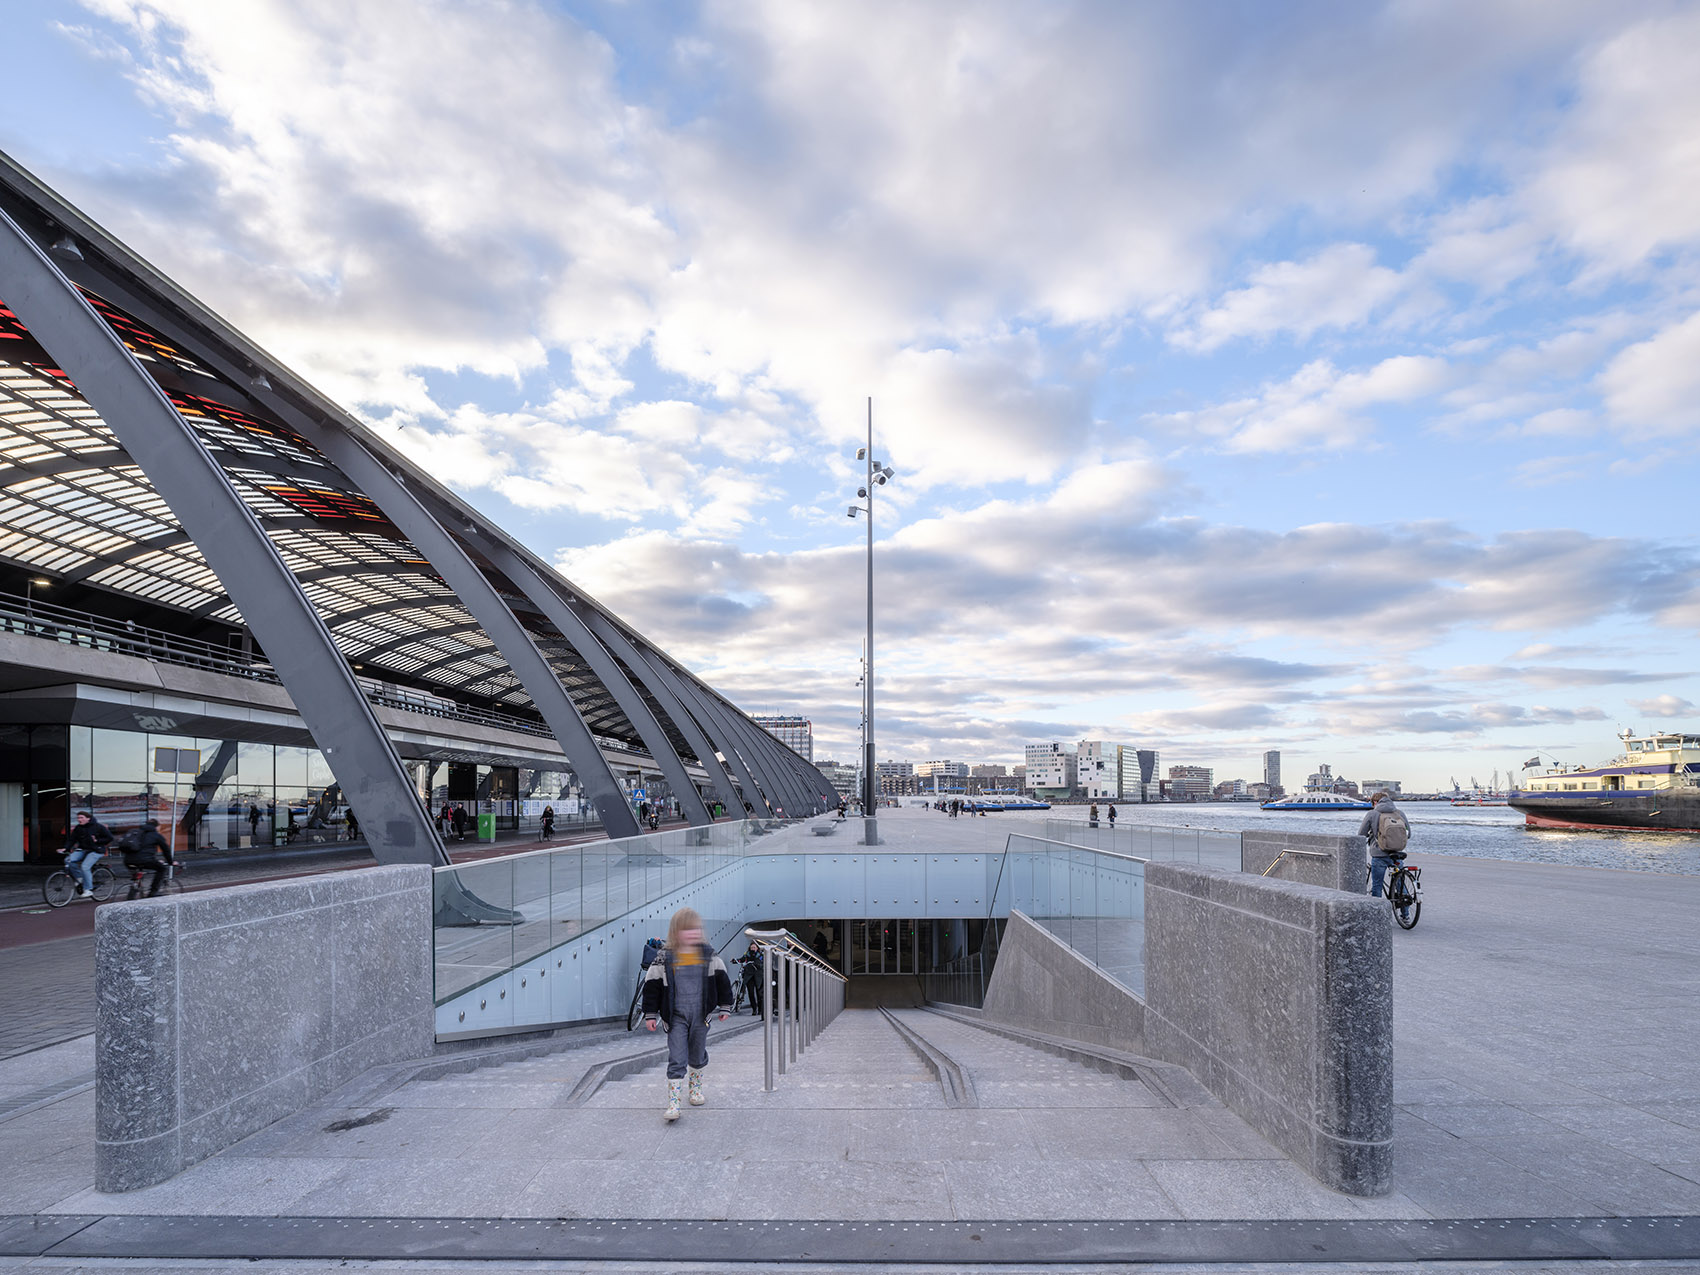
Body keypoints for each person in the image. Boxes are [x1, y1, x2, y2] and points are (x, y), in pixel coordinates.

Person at [641, 906, 733, 1121]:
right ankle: (674, 1103)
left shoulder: (709, 956)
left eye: (696, 929)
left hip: (701, 1016)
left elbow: (723, 983)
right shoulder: (664, 957)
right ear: (675, 932)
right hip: (676, 1018)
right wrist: (650, 1014)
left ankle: (695, 1089)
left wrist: (725, 1006)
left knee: (697, 1054)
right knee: (677, 1057)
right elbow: (651, 987)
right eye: (686, 930)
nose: (692, 933)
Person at [1357, 791, 1411, 899]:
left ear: (1375, 802)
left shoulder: (1372, 814)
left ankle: (1377, 912)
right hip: (1397, 854)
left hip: (1379, 854)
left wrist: (1371, 835)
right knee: (1400, 884)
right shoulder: (1400, 813)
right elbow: (1408, 834)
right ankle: (1405, 914)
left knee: (1377, 885)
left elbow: (1361, 834)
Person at [61, 811, 112, 897]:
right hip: (83, 849)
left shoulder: (98, 827)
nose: (79, 820)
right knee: (68, 860)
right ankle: (80, 878)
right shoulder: (78, 828)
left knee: (85, 866)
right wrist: (66, 848)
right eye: (78, 818)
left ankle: (88, 889)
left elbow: (109, 838)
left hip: (96, 850)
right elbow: (72, 840)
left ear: (88, 818)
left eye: (81, 818)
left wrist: (97, 841)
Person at [122, 819, 174, 897]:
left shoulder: (137, 833)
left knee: (137, 875)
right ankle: (153, 892)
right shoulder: (156, 835)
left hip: (128, 860)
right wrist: (170, 862)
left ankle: (135, 888)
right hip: (144, 860)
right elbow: (165, 850)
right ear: (156, 827)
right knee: (162, 869)